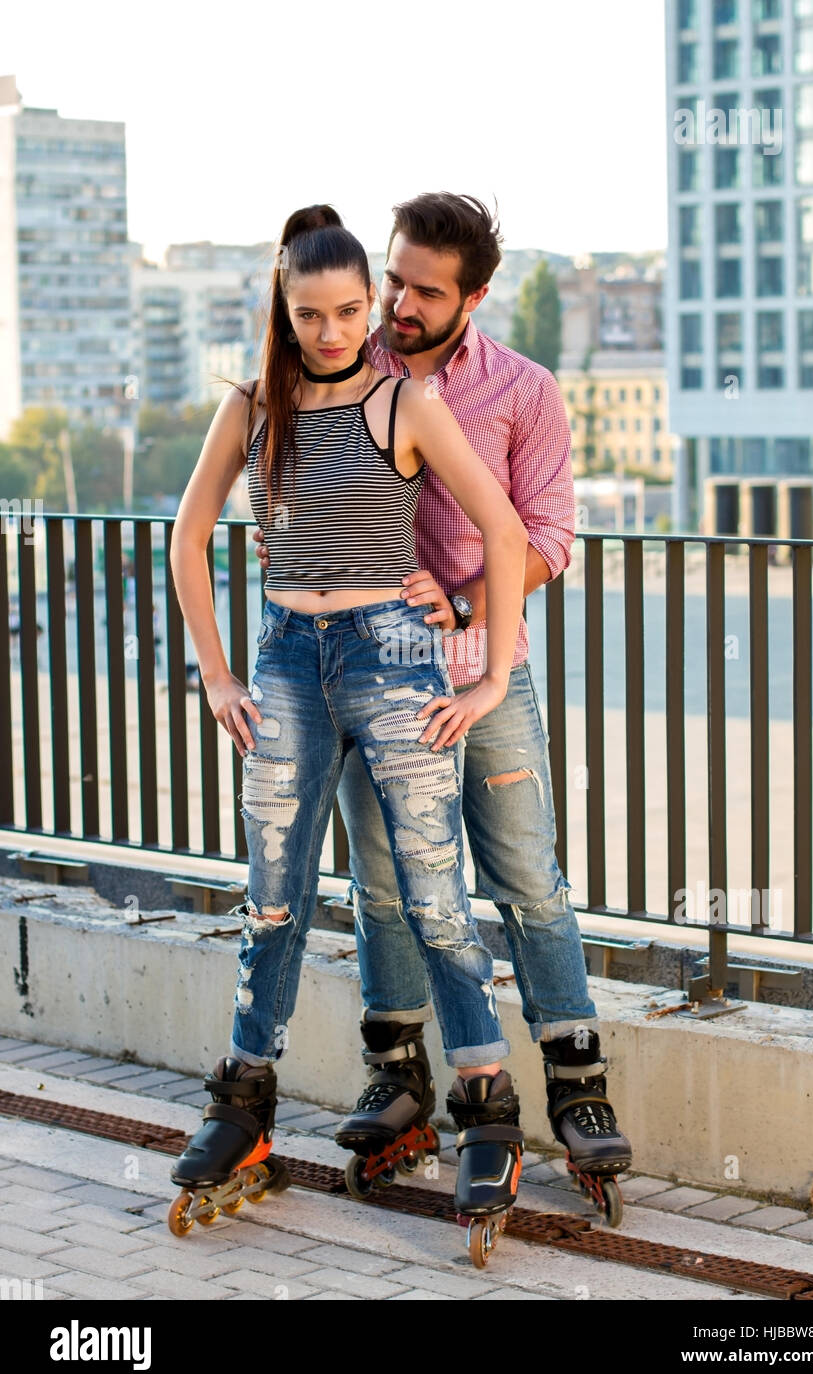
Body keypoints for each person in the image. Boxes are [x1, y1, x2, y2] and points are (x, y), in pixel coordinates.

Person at [254, 193, 633, 1190]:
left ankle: (575, 1081)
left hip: (485, 675)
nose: (399, 304)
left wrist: (463, 598)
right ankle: (399, 1079)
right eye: (395, 279)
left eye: (426, 289)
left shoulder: (522, 389)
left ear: (474, 293)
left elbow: (546, 536)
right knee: (384, 885)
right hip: (366, 677)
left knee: (524, 879)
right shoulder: (340, 366)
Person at [167, 205, 528, 1234]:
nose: (330, 332)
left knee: (433, 895)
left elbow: (502, 534)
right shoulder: (248, 408)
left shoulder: (406, 401)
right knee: (273, 896)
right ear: (281, 313)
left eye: (347, 312)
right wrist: (216, 673)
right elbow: (188, 538)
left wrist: (490, 677)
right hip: (284, 661)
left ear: (368, 307)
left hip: (395, 656)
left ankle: (486, 1106)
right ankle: (243, 1101)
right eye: (308, 314)